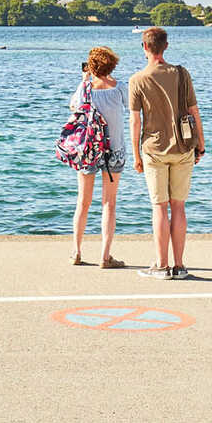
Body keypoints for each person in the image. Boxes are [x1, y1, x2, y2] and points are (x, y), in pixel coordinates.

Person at [128, 27, 204, 280]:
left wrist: (136, 154)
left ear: (145, 47)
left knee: (159, 207)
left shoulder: (137, 80)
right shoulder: (182, 74)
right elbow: (194, 110)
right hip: (183, 147)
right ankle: (180, 266)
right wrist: (200, 144)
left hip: (153, 148)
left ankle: (161, 266)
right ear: (166, 46)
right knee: (179, 206)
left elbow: (135, 121)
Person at [67, 46, 128, 269]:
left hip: (88, 149)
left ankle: (76, 251)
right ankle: (105, 256)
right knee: (109, 203)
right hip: (115, 150)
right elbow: (131, 107)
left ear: (91, 66)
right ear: (112, 65)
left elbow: (73, 107)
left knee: (83, 202)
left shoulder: (84, 88)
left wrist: (85, 79)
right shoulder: (120, 88)